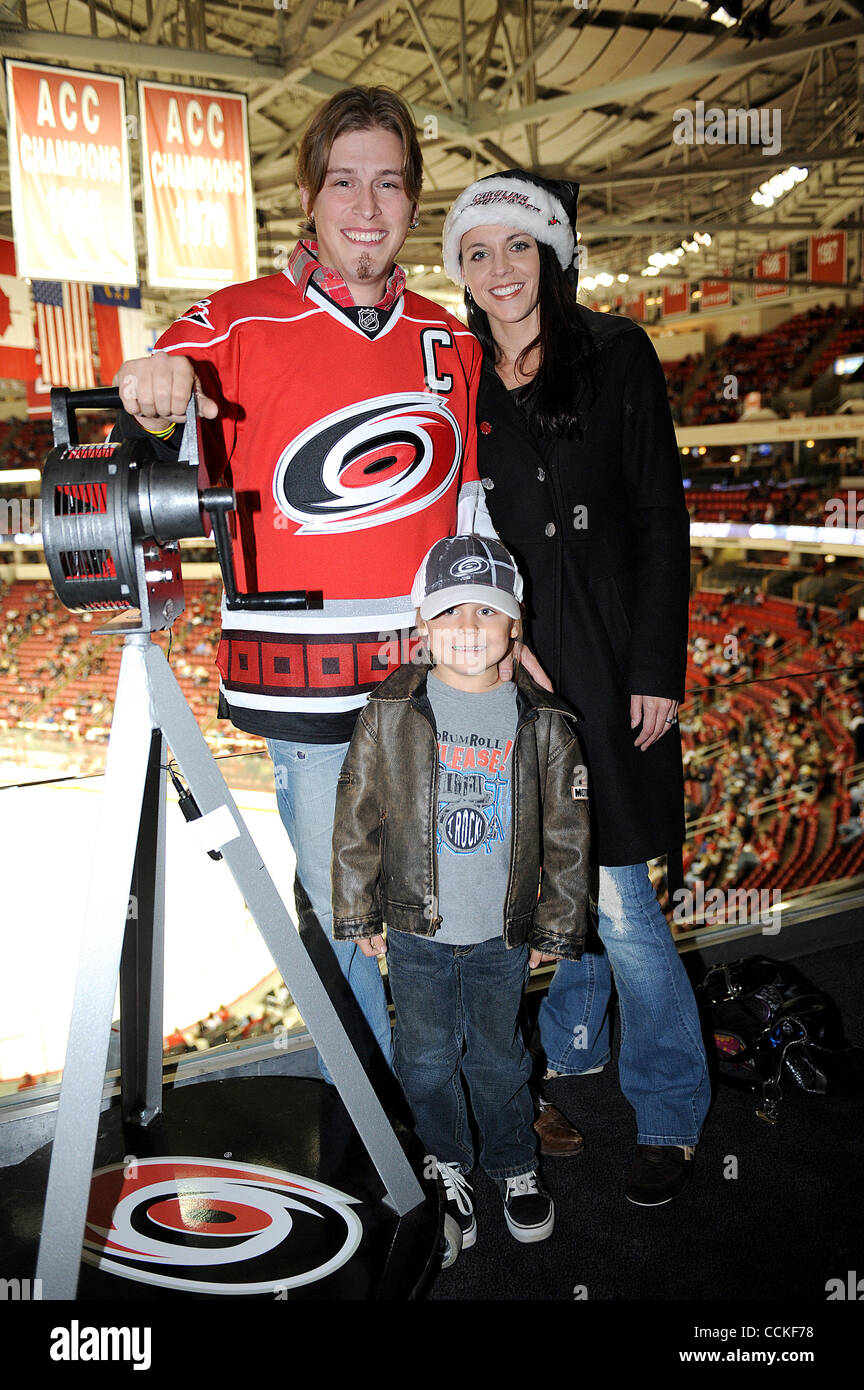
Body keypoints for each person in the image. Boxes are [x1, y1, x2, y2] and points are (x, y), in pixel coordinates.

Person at [113, 87, 498, 1085]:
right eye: (344, 182)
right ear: (309, 195)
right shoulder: (237, 318)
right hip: (306, 695)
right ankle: (379, 1132)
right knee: (349, 921)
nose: (366, 207)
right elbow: (150, 403)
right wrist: (152, 384)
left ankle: (436, 1110)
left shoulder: (449, 341)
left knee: (434, 908)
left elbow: (468, 511)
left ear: (413, 202)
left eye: (389, 183)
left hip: (428, 690)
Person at [441, 169, 711, 1205]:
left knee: (622, 897)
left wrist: (654, 668)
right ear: (459, 271)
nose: (498, 269)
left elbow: (658, 517)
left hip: (608, 665)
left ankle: (672, 1110)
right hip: (508, 673)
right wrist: (499, 643)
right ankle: (575, 1042)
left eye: (517, 247)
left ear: (551, 253)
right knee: (537, 885)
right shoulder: (458, 374)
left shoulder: (617, 352)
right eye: (476, 252)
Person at [331, 534, 590, 1258]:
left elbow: (569, 835)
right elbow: (357, 811)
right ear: (421, 624)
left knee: (500, 1057)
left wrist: (558, 923)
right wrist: (358, 908)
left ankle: (513, 1162)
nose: (468, 628)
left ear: (516, 623)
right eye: (449, 612)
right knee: (423, 1057)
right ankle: (445, 1163)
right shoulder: (389, 710)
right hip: (416, 928)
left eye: (487, 610)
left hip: (502, 932)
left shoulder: (545, 724)